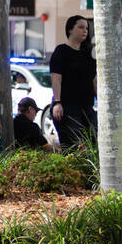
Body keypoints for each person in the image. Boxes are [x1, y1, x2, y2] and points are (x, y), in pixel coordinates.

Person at [49, 15, 96, 148]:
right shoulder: (61, 51)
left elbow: (94, 79)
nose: (85, 31)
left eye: (86, 28)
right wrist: (57, 102)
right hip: (67, 106)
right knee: (71, 145)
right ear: (70, 29)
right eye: (80, 27)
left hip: (87, 106)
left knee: (94, 140)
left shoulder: (88, 53)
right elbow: (56, 78)